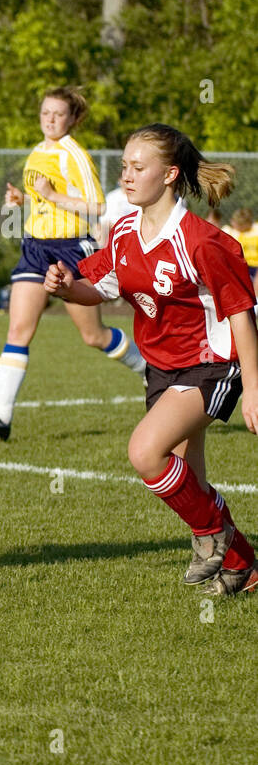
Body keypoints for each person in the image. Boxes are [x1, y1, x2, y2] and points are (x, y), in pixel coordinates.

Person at [45, 124, 258, 595]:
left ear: (169, 174)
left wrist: (256, 391)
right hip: (162, 365)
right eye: (123, 166)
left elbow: (242, 313)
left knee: (145, 452)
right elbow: (97, 288)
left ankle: (215, 535)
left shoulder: (201, 241)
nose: (126, 176)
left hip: (212, 363)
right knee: (192, 488)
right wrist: (65, 287)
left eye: (138, 167)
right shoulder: (123, 232)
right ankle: (242, 565)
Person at [0, 86, 145, 441]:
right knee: (18, 330)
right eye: (45, 112)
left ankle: (149, 368)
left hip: (71, 250)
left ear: (72, 118)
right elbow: (43, 200)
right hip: (35, 246)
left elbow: (97, 207)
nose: (50, 119)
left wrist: (50, 195)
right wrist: (23, 199)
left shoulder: (73, 154)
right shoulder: (36, 152)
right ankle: (0, 419)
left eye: (57, 114)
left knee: (93, 335)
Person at [220, 207, 258, 304]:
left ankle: (255, 302)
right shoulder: (230, 231)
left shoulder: (255, 230)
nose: (233, 223)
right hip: (241, 266)